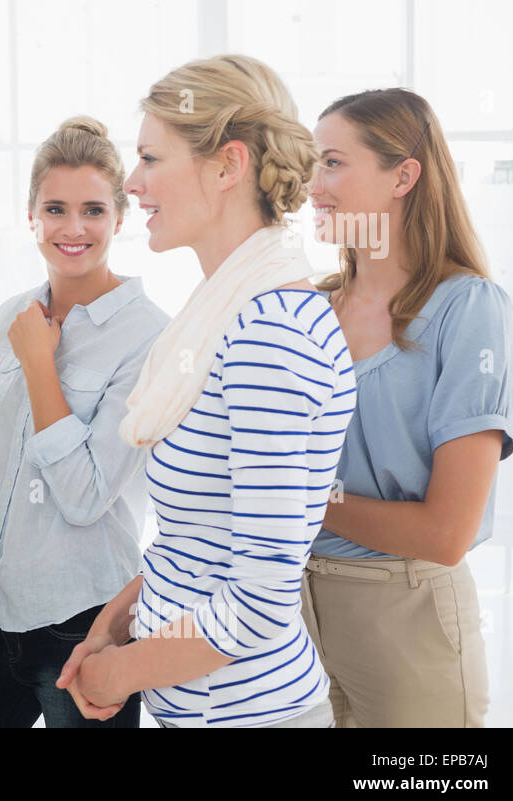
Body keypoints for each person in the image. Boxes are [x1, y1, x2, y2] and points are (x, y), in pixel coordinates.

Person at [56, 54, 354, 727]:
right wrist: (118, 619)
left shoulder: (268, 336)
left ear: (227, 166)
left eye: (151, 159)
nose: (132, 182)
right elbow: (203, 546)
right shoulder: (229, 313)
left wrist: (118, 674)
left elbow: (259, 600)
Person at [303, 88, 513, 728]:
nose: (312, 184)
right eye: (313, 163)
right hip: (293, 616)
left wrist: (300, 499)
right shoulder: (308, 306)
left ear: (403, 175)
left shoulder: (468, 306)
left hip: (408, 619)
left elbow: (445, 533)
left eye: (333, 162)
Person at [0, 117, 168, 728]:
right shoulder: (13, 315)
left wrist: (41, 365)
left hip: (85, 625)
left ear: (119, 218)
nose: (74, 229)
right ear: (32, 215)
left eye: (93, 210)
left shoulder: (150, 335)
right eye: (56, 209)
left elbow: (84, 496)